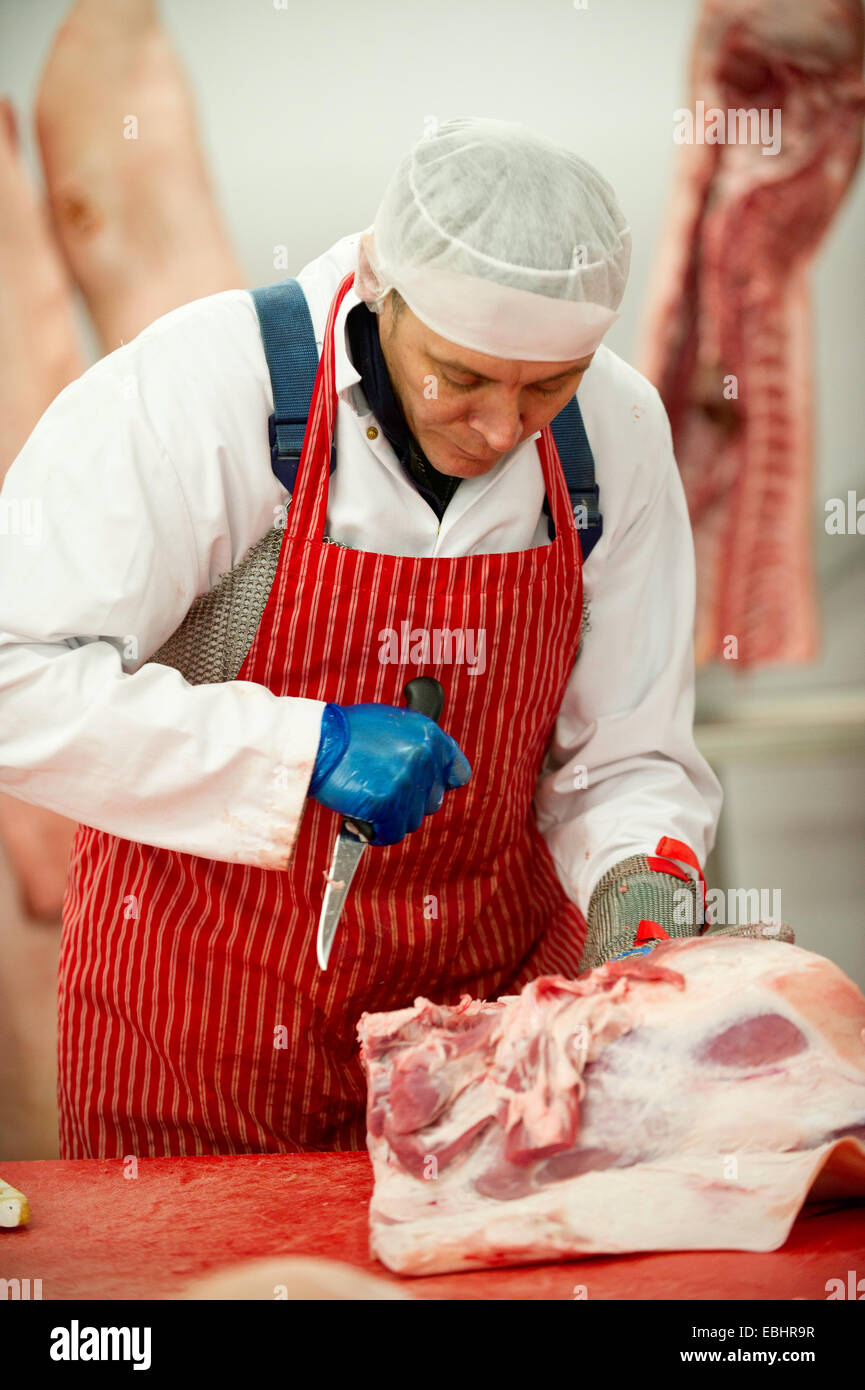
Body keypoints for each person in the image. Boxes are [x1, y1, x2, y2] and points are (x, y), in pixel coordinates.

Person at [0, 118, 722, 1158]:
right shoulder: (206, 391)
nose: (497, 427)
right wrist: (302, 751)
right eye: (459, 376)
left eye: (545, 387)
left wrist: (640, 877)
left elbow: (628, 756)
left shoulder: (614, 426)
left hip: (495, 1047)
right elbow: (19, 682)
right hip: (199, 1032)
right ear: (384, 291)